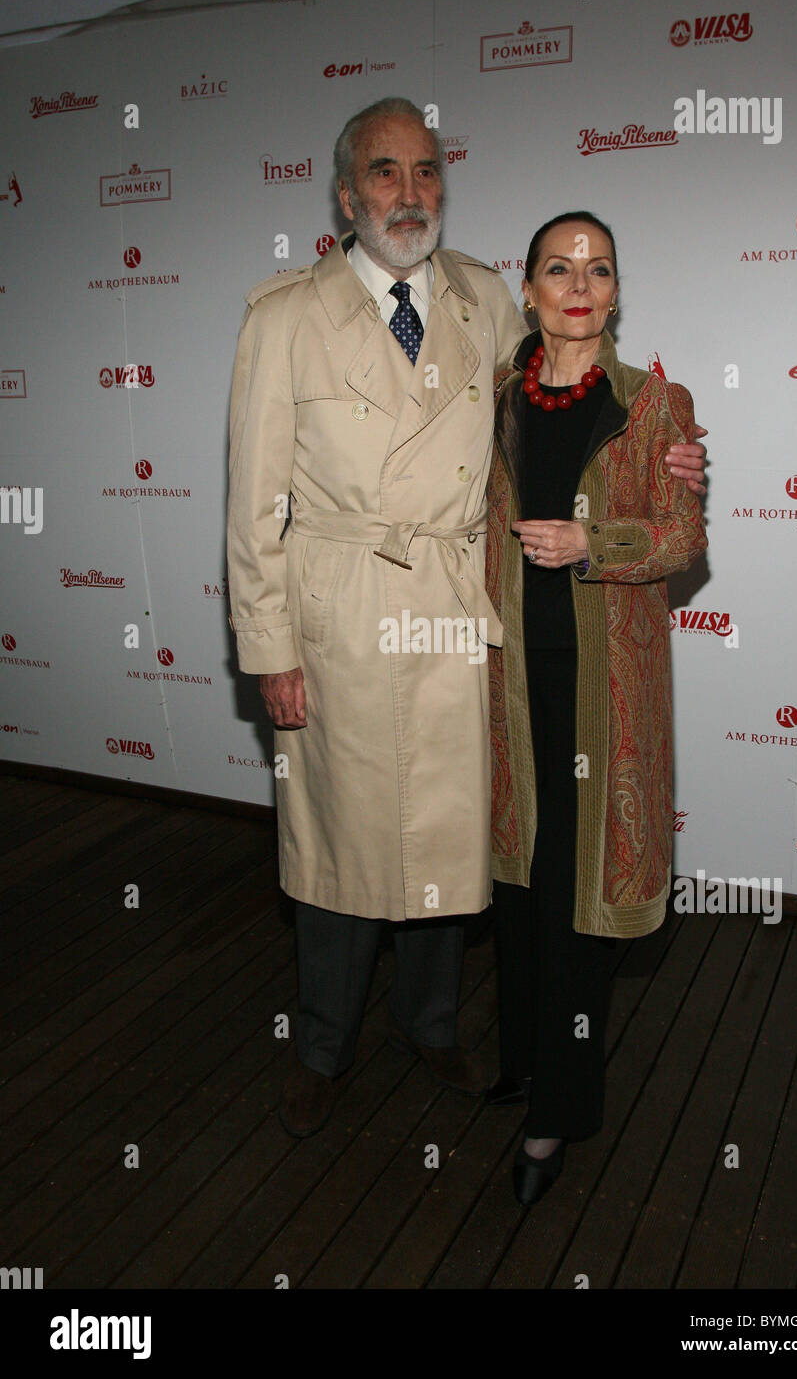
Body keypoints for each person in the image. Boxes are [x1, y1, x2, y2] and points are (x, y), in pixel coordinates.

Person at [227, 100, 707, 1140]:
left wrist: (664, 458)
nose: (409, 192)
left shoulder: (481, 297)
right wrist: (267, 649)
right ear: (347, 196)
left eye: (426, 170)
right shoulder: (280, 318)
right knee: (339, 849)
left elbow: (559, 389)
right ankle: (320, 1042)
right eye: (384, 172)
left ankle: (431, 1023)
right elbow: (255, 502)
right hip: (341, 611)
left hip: (454, 605)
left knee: (450, 835)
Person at [483, 211, 708, 1205]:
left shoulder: (655, 404)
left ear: (615, 293)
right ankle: (526, 1059)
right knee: (522, 881)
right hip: (505, 682)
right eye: (556, 267)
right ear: (526, 287)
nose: (578, 284)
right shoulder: (492, 400)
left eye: (598, 269)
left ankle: (554, 1118)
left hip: (601, 692)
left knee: (577, 897)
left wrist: (593, 545)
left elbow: (680, 542)